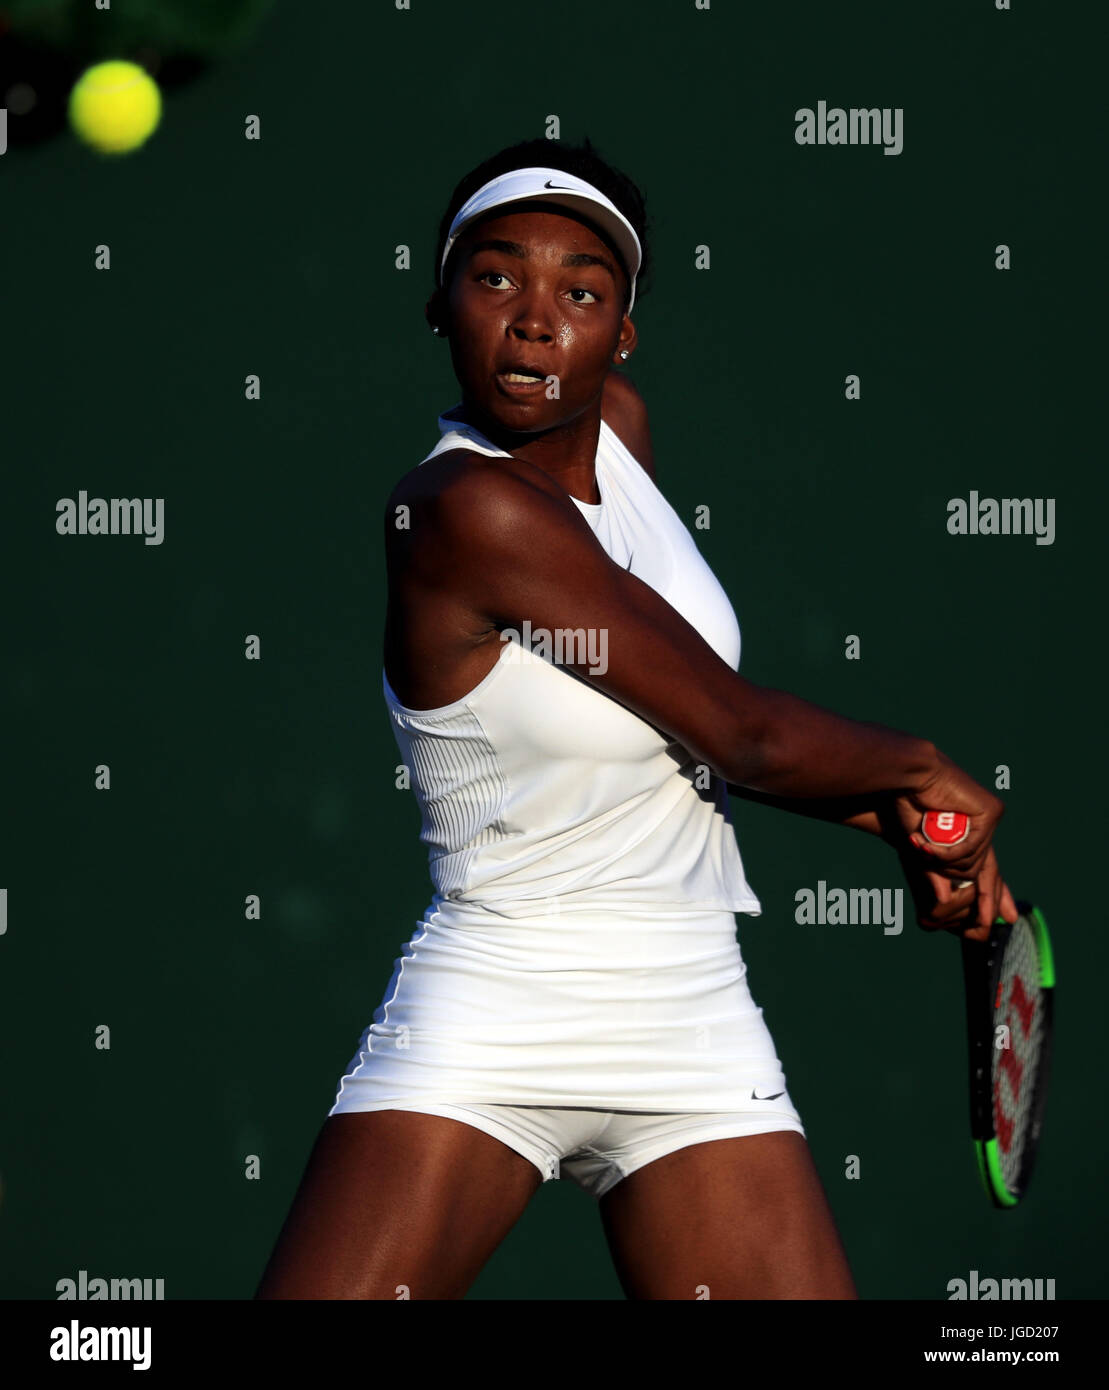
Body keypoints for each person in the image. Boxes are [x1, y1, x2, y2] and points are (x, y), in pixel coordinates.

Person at [255, 136, 1017, 1301]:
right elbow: (742, 735)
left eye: (581, 292)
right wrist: (918, 772)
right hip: (500, 1005)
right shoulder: (459, 511)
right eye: (495, 276)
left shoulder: (622, 438)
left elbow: (679, 754)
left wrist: (896, 824)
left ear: (621, 333)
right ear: (438, 301)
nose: (532, 320)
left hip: (690, 1010)